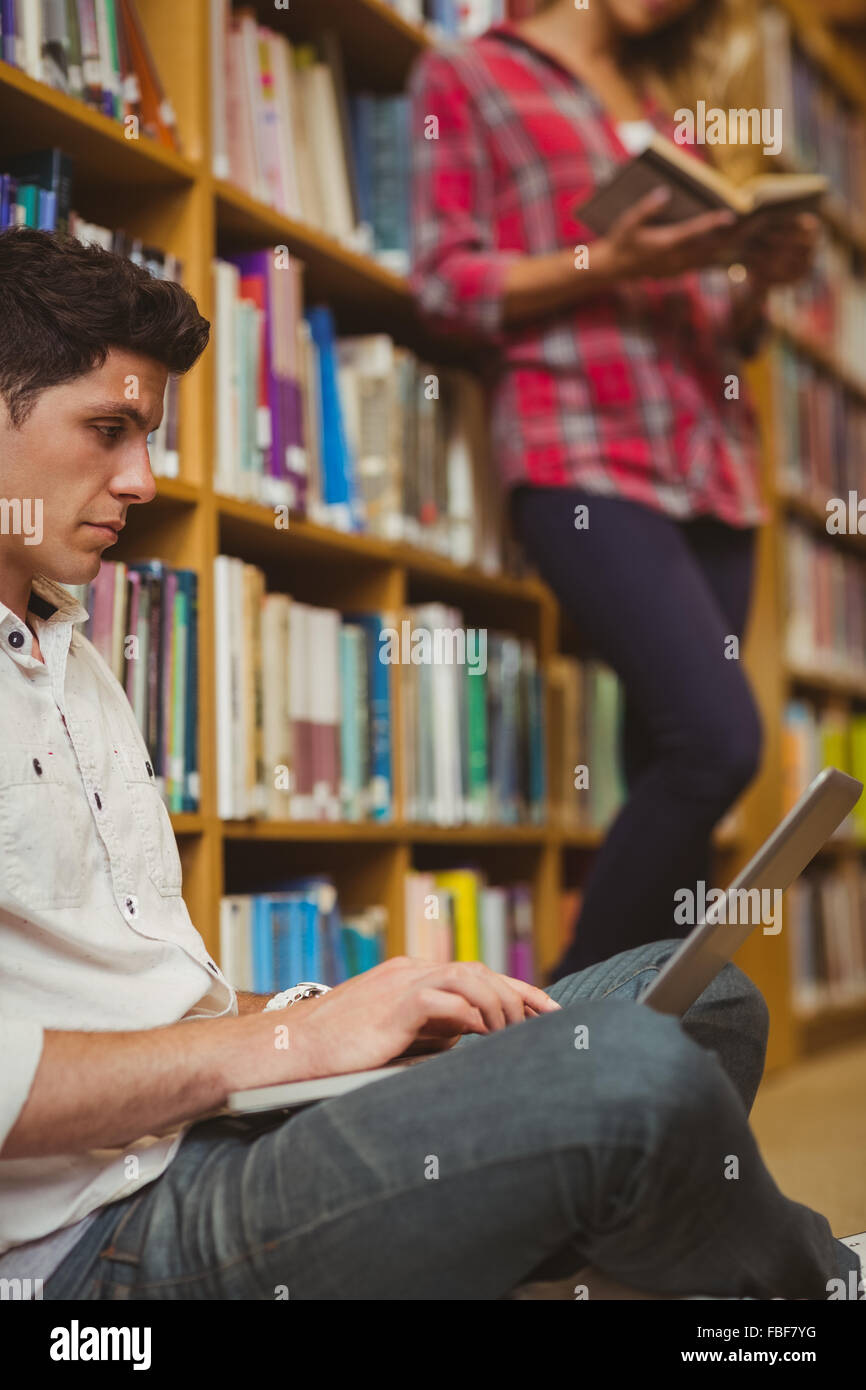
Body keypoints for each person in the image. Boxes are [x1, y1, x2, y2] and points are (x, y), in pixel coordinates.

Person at [0, 228, 857, 1302]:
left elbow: (146, 1002)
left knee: (692, 997)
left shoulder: (68, 653)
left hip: (209, 1125)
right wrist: (288, 1044)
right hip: (103, 1234)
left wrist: (354, 1008)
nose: (143, 478)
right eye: (108, 429)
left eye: (151, 434)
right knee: (632, 1074)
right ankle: (813, 1286)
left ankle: (587, 1232)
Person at [408, 0, 820, 976]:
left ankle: (635, 1088)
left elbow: (723, 329)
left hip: (710, 464)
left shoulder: (668, 111)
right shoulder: (467, 75)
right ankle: (552, 1037)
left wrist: (754, 281)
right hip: (576, 445)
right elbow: (442, 282)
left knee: (668, 774)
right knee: (716, 743)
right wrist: (606, 260)